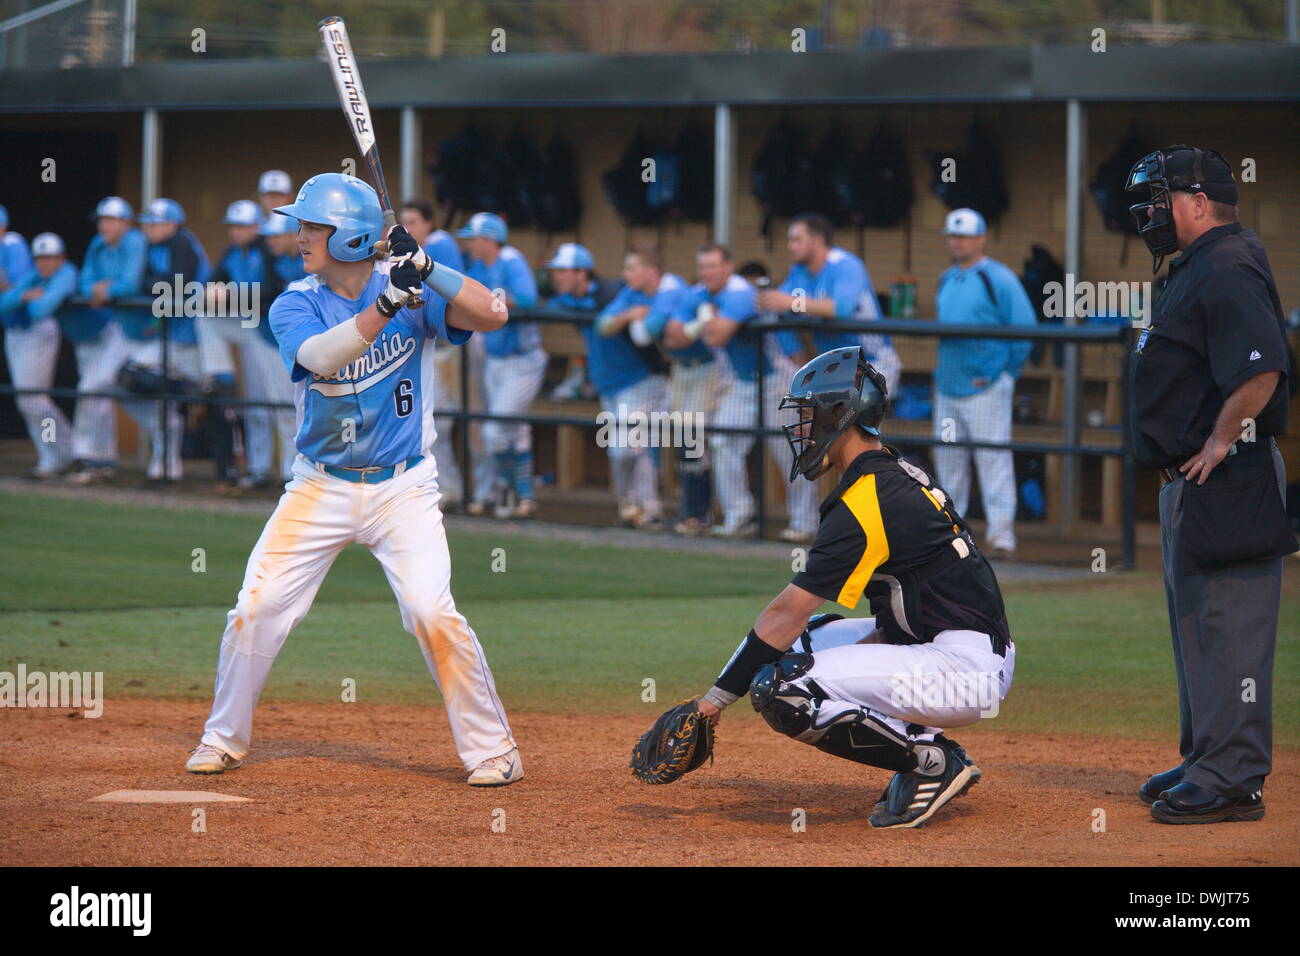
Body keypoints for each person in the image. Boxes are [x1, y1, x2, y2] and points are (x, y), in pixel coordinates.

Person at [185, 173, 523, 787]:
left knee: (430, 610)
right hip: (320, 486)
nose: (299, 235)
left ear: (352, 237)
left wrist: (428, 266)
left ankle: (494, 750)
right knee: (255, 608)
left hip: (404, 488)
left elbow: (493, 313)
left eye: (313, 226)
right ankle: (222, 738)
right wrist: (388, 303)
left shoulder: (410, 285)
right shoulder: (297, 301)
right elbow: (318, 358)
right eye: (302, 225)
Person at [694, 346, 1015, 829]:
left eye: (808, 414)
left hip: (963, 668)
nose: (800, 428)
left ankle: (932, 763)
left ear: (839, 415)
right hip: (946, 643)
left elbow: (787, 611)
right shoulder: (890, 470)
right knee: (801, 645)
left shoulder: (867, 498)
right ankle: (927, 745)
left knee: (782, 686)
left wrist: (711, 704)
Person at [1125, 145, 1296, 825]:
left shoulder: (1227, 264)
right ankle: (1207, 758)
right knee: (1198, 627)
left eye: (1160, 199)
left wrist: (1223, 438)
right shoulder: (1202, 263)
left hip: (1232, 477)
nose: (1150, 212)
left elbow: (1262, 367)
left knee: (1228, 628)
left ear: (1199, 202)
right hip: (1195, 482)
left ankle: (1233, 777)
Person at [682, 243, 814, 540]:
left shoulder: (746, 300)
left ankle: (805, 523)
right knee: (723, 442)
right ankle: (740, 515)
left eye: (714, 267)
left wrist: (805, 395)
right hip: (742, 385)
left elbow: (795, 356)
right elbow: (675, 333)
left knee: (792, 453)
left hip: (777, 382)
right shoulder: (715, 297)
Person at [930, 208, 1037, 559]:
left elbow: (1025, 328)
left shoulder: (998, 277)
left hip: (986, 384)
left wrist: (1007, 374)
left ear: (981, 238)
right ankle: (954, 538)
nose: (957, 242)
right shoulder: (947, 277)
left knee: (993, 461)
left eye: (963, 236)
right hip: (948, 384)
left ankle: (1002, 538)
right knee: (948, 463)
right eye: (953, 236)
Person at [559, 243, 668, 529]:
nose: (558, 276)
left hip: (641, 379)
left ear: (582, 273)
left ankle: (637, 505)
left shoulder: (613, 293)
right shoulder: (567, 299)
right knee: (631, 448)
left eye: (564, 271)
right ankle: (641, 509)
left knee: (624, 447)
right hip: (608, 384)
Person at [456, 212, 543, 518]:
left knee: (495, 432)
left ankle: (509, 487)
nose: (470, 245)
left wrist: (491, 303)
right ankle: (523, 497)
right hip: (494, 359)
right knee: (513, 431)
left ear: (489, 239)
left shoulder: (510, 259)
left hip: (522, 359)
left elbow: (528, 299)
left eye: (475, 239)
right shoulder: (479, 265)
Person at [758, 214, 902, 396]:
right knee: (820, 423)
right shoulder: (799, 271)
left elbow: (842, 309)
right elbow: (780, 306)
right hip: (833, 367)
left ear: (816, 241)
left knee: (854, 424)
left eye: (796, 240)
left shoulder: (845, 264)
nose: (790, 246)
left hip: (871, 363)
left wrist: (792, 302)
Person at [128, 198, 211, 482]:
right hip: (172, 334)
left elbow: (174, 284)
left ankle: (236, 469)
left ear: (172, 224)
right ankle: (166, 460)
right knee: (135, 379)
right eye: (148, 222)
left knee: (212, 396)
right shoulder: (155, 246)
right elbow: (143, 282)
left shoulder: (183, 243)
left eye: (155, 222)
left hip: (195, 334)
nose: (149, 227)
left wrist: (157, 284)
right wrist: (157, 284)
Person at [68, 196, 146, 485]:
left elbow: (132, 282)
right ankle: (96, 457)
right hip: (110, 324)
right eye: (102, 220)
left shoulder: (134, 241)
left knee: (106, 386)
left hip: (140, 327)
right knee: (95, 386)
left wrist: (107, 290)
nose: (104, 225)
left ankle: (95, 457)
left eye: (111, 220)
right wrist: (97, 289)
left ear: (125, 222)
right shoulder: (98, 243)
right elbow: (85, 280)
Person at [640, 249, 717, 535]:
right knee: (685, 443)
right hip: (682, 371)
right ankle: (692, 512)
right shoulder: (693, 294)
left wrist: (693, 329)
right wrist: (698, 325)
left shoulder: (675, 288)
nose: (705, 272)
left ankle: (699, 513)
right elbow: (673, 336)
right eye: (702, 266)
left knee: (696, 443)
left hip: (707, 370)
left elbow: (694, 336)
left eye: (711, 266)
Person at [401, 199, 467, 507]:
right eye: (405, 222)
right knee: (435, 421)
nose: (409, 228)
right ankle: (448, 489)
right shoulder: (416, 249)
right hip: (435, 347)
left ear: (429, 223)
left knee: (445, 422)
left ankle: (462, 491)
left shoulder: (440, 244)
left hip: (452, 347)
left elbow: (440, 292)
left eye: (414, 221)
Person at [0, 231, 76, 478]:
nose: (45, 262)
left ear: (61, 258)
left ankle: (60, 451)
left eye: (51, 257)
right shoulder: (33, 277)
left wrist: (23, 299)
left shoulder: (65, 274)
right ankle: (53, 454)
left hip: (40, 332)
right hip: (17, 333)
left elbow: (40, 310)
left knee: (33, 400)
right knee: (28, 401)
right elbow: (4, 303)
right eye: (41, 257)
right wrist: (22, 295)